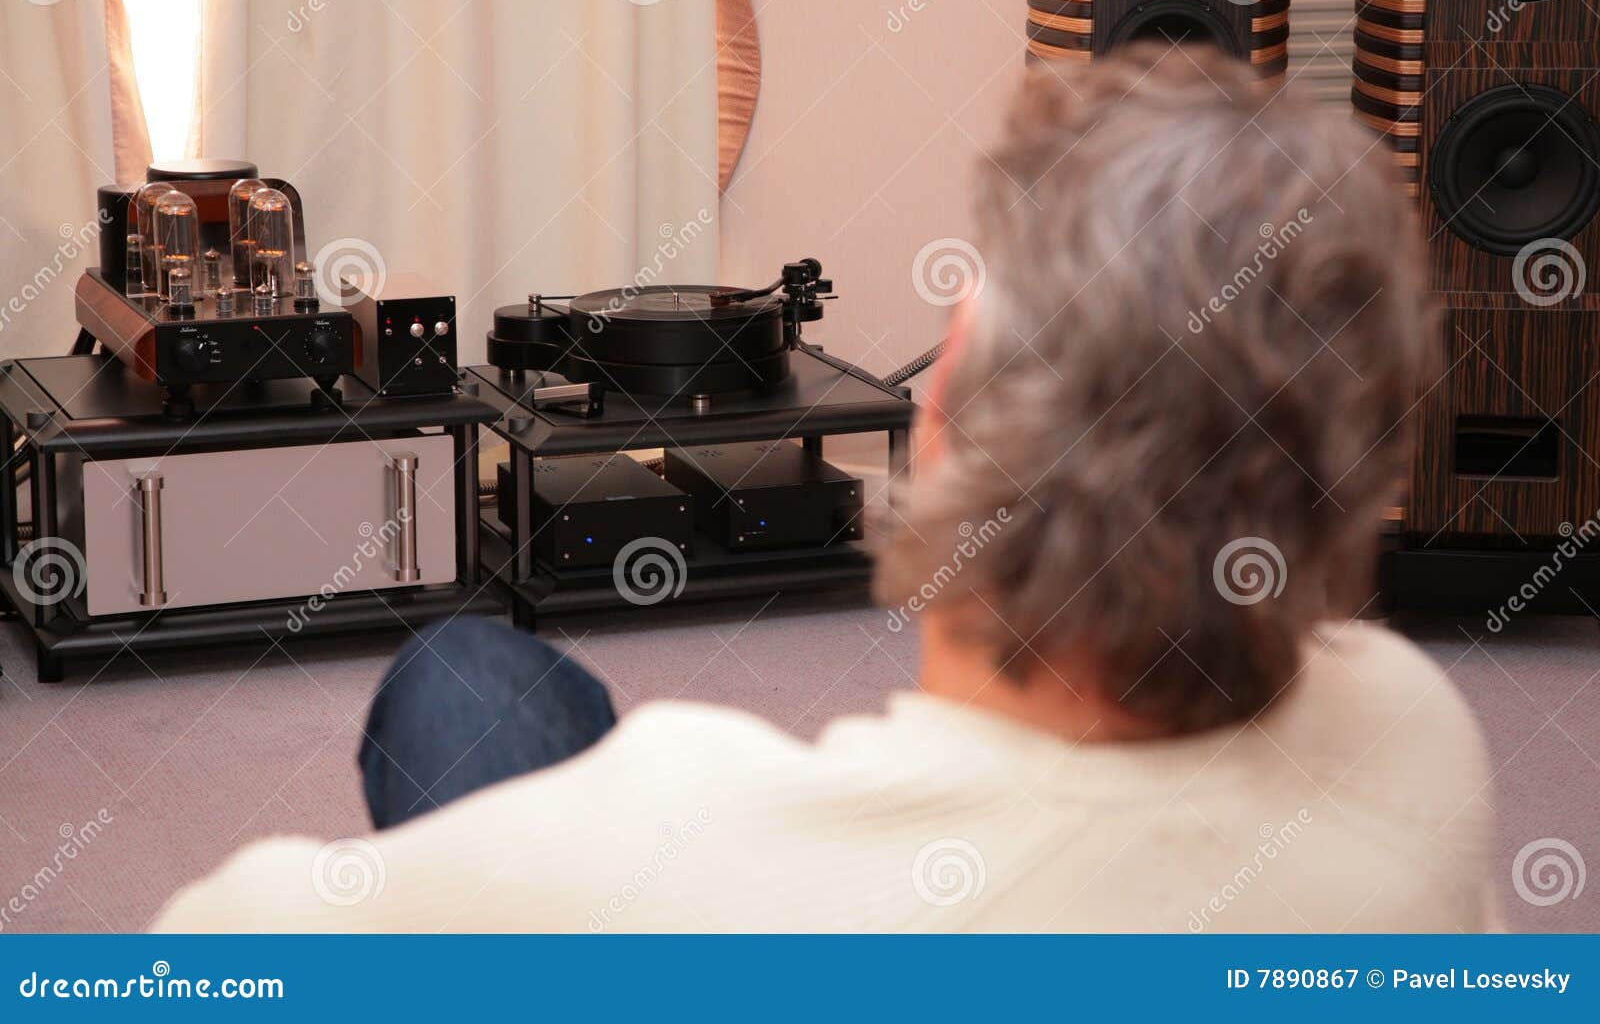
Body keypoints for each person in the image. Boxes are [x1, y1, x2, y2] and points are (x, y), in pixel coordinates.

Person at [155, 47, 1495, 932]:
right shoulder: (1410, 732)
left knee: (458, 676)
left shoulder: (666, 839)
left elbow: (192, 948)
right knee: (488, 685)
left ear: (952, 402)